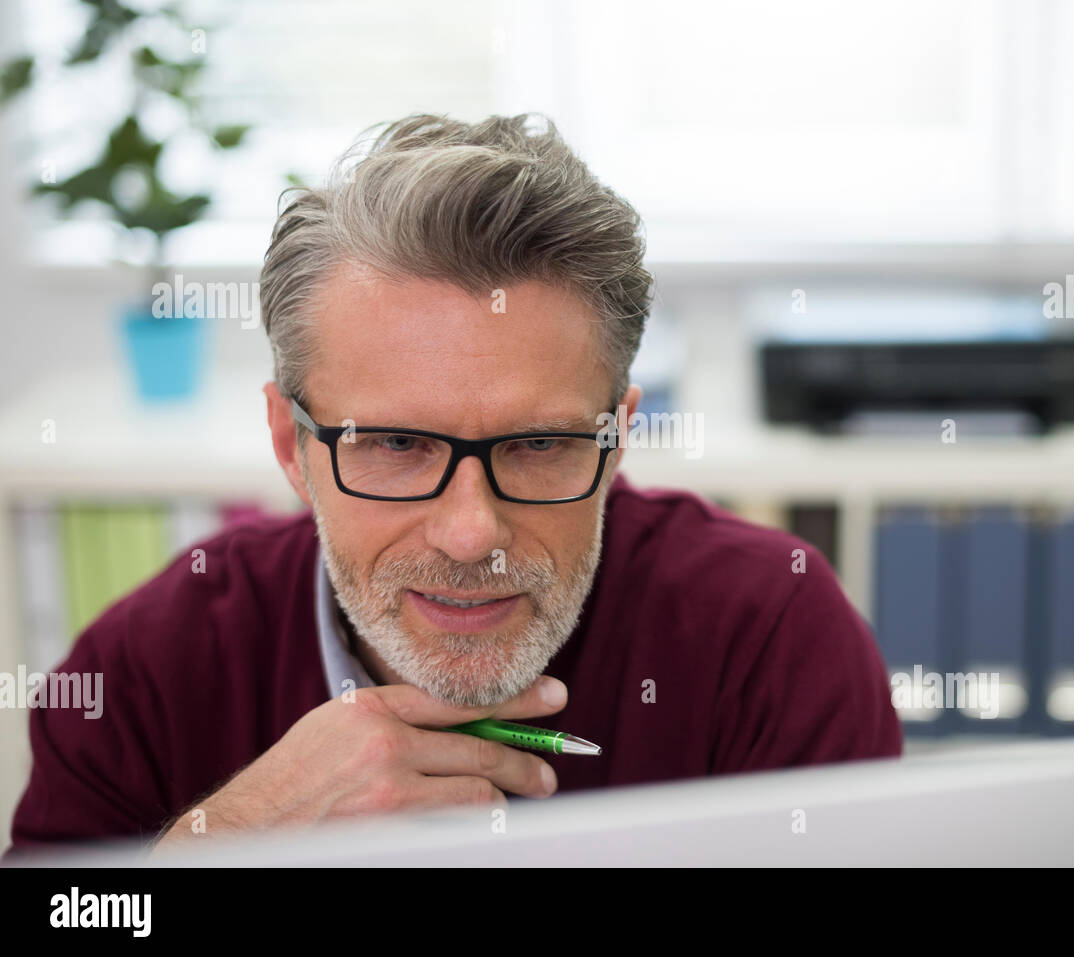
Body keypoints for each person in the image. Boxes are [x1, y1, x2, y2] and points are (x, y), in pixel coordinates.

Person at [4, 114, 900, 862]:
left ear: (617, 435)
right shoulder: (142, 669)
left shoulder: (773, 638)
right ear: (290, 442)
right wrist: (223, 840)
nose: (472, 534)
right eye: (395, 444)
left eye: (539, 444)